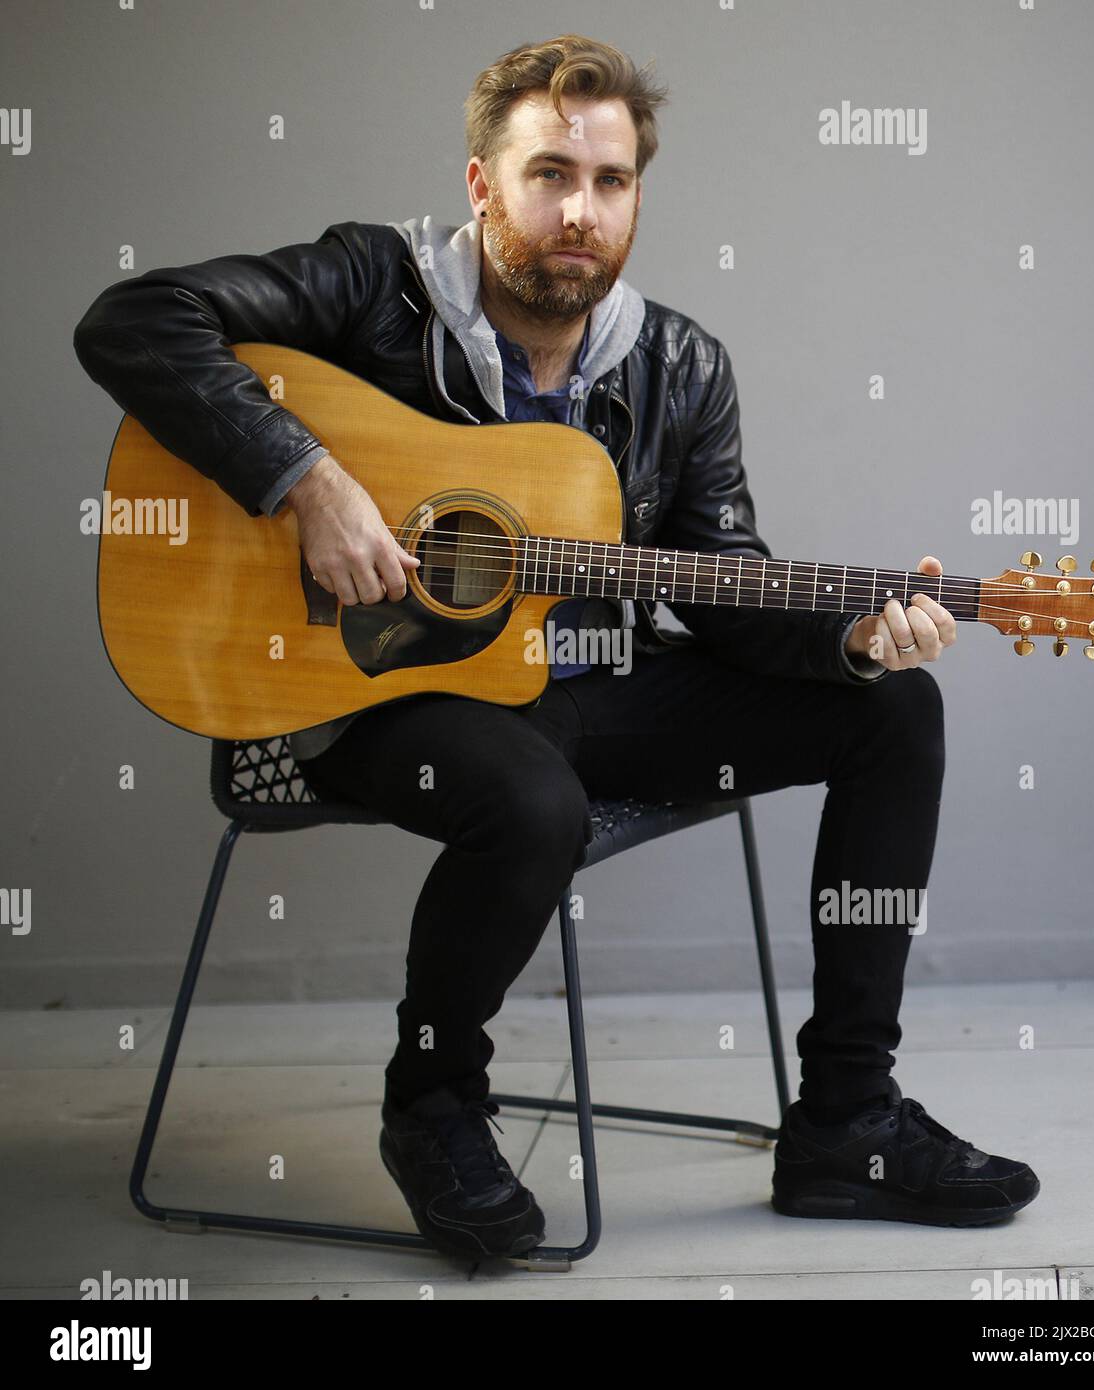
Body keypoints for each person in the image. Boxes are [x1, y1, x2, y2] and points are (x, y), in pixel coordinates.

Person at [74, 33, 1039, 1261]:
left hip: (594, 691)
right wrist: (303, 481)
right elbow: (135, 317)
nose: (579, 211)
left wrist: (849, 636)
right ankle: (433, 1102)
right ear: (482, 185)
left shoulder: (679, 365)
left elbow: (726, 588)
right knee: (534, 798)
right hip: (374, 692)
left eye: (611, 181)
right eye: (547, 175)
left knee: (896, 710)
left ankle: (846, 1118)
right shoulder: (373, 283)